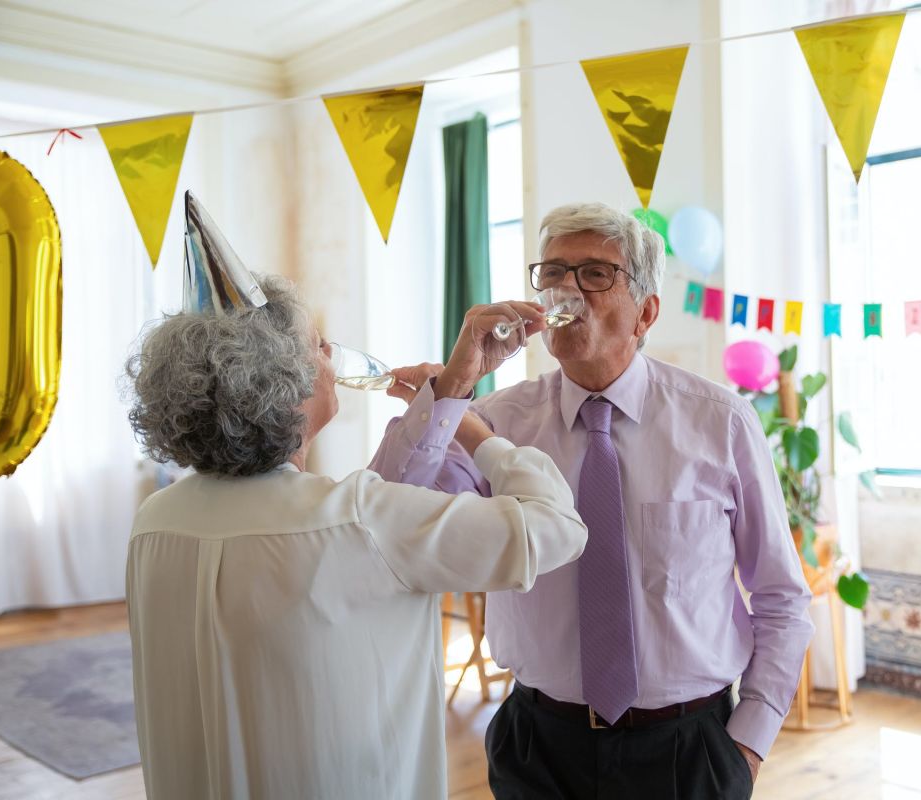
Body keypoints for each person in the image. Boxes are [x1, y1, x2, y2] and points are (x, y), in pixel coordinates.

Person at [371, 202, 814, 799]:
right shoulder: (494, 420)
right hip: (539, 749)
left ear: (646, 312)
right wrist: (453, 384)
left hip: (688, 751)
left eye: (595, 274)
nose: (566, 290)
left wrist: (745, 747)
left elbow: (781, 595)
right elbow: (392, 516)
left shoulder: (722, 424)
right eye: (552, 273)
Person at [123, 274, 586, 800]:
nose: (332, 355)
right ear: (285, 383)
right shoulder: (358, 520)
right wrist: (472, 428)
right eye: (318, 345)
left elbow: (379, 517)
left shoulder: (154, 522)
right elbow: (555, 527)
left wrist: (449, 394)